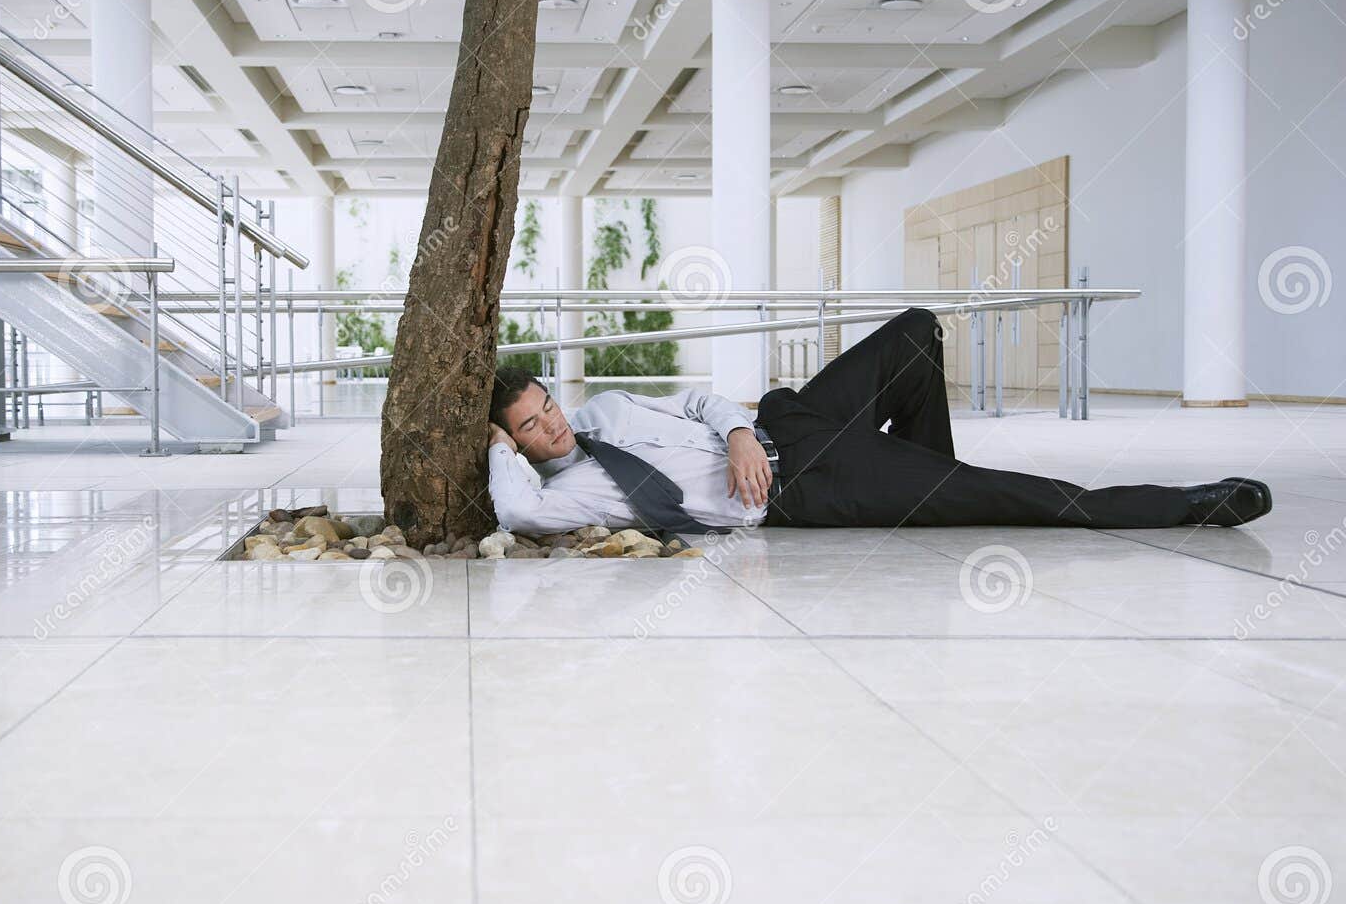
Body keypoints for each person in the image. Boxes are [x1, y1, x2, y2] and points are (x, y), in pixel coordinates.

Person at [485, 306, 1271, 538]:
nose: (551, 426)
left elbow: (699, 401)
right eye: (529, 427)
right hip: (807, 486)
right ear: (515, 441)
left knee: (916, 334)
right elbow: (516, 508)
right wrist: (491, 446)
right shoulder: (570, 495)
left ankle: (936, 489)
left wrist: (735, 432)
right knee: (1015, 494)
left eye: (545, 406)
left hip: (788, 424)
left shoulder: (605, 409)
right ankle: (1188, 503)